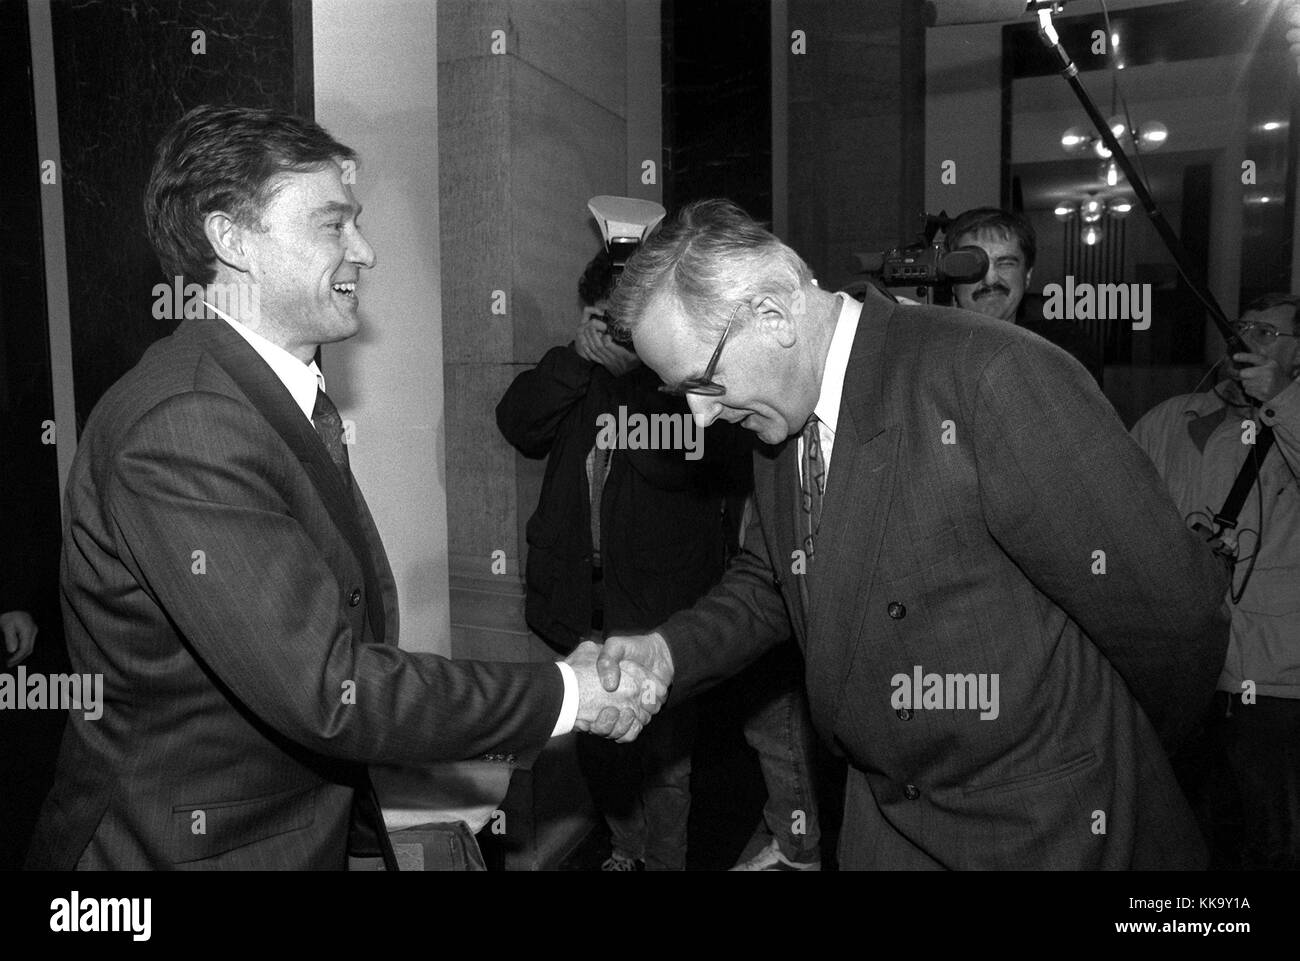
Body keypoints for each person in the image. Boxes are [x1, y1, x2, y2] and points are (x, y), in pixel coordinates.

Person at [24, 104, 661, 871]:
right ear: (231, 241)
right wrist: (567, 694)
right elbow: (326, 687)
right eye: (334, 225)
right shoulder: (185, 422)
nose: (367, 249)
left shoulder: (261, 394)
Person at [595, 198, 1230, 869]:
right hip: (887, 827)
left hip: (1050, 830)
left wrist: (1103, 754)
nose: (699, 418)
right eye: (681, 396)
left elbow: (1175, 618)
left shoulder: (989, 376)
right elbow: (774, 581)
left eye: (702, 382)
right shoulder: (775, 417)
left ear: (774, 314)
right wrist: (666, 653)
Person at [497, 249, 748, 870]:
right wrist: (577, 358)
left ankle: (664, 863)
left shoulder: (689, 386)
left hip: (662, 604)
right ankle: (624, 850)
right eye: (606, 321)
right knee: (599, 741)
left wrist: (639, 376)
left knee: (666, 757)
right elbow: (518, 423)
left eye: (630, 324)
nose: (617, 336)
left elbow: (672, 463)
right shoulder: (577, 369)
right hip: (582, 596)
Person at [1131, 292, 1300, 870]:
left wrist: (1282, 400)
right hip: (1183, 675)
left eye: (1270, 334)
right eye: (1244, 326)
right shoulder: (1173, 416)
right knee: (1181, 841)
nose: (1248, 339)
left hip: (1274, 687)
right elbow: (1118, 516)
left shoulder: (1293, 420)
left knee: (1272, 843)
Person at [946, 206, 1104, 385]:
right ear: (952, 279)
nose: (990, 279)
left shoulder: (1063, 352)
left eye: (1005, 264)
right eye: (974, 265)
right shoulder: (930, 354)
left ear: (1027, 276)